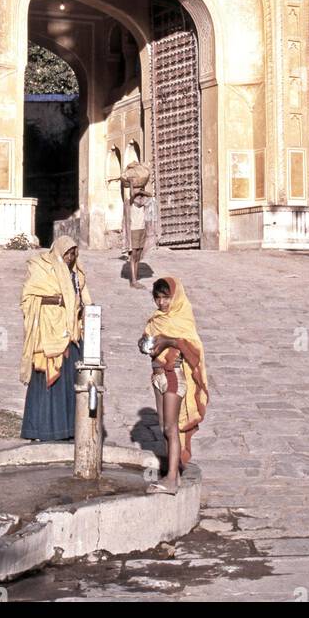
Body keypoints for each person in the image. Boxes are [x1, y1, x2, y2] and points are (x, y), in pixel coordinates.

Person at [138, 276, 208, 493]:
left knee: (172, 427)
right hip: (157, 377)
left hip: (173, 377)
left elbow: (194, 349)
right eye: (157, 298)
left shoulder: (182, 317)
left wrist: (168, 341)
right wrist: (143, 344)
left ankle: (171, 479)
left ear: (174, 297)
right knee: (163, 428)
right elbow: (146, 338)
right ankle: (172, 473)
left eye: (166, 298)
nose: (162, 303)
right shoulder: (156, 319)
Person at [19, 233, 90, 442]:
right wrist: (57, 299)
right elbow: (28, 297)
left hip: (70, 333)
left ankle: (68, 428)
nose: (70, 258)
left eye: (73, 254)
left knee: (71, 380)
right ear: (59, 252)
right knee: (47, 381)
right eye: (67, 254)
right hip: (48, 331)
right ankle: (42, 429)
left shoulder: (76, 274)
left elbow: (83, 297)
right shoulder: (41, 268)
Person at [126, 180, 158, 289]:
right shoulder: (130, 201)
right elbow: (132, 196)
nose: (140, 197)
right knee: (133, 255)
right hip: (133, 230)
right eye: (138, 194)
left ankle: (135, 278)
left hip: (142, 230)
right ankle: (133, 280)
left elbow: (151, 195)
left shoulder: (142, 201)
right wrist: (132, 185)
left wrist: (142, 192)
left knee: (138, 256)